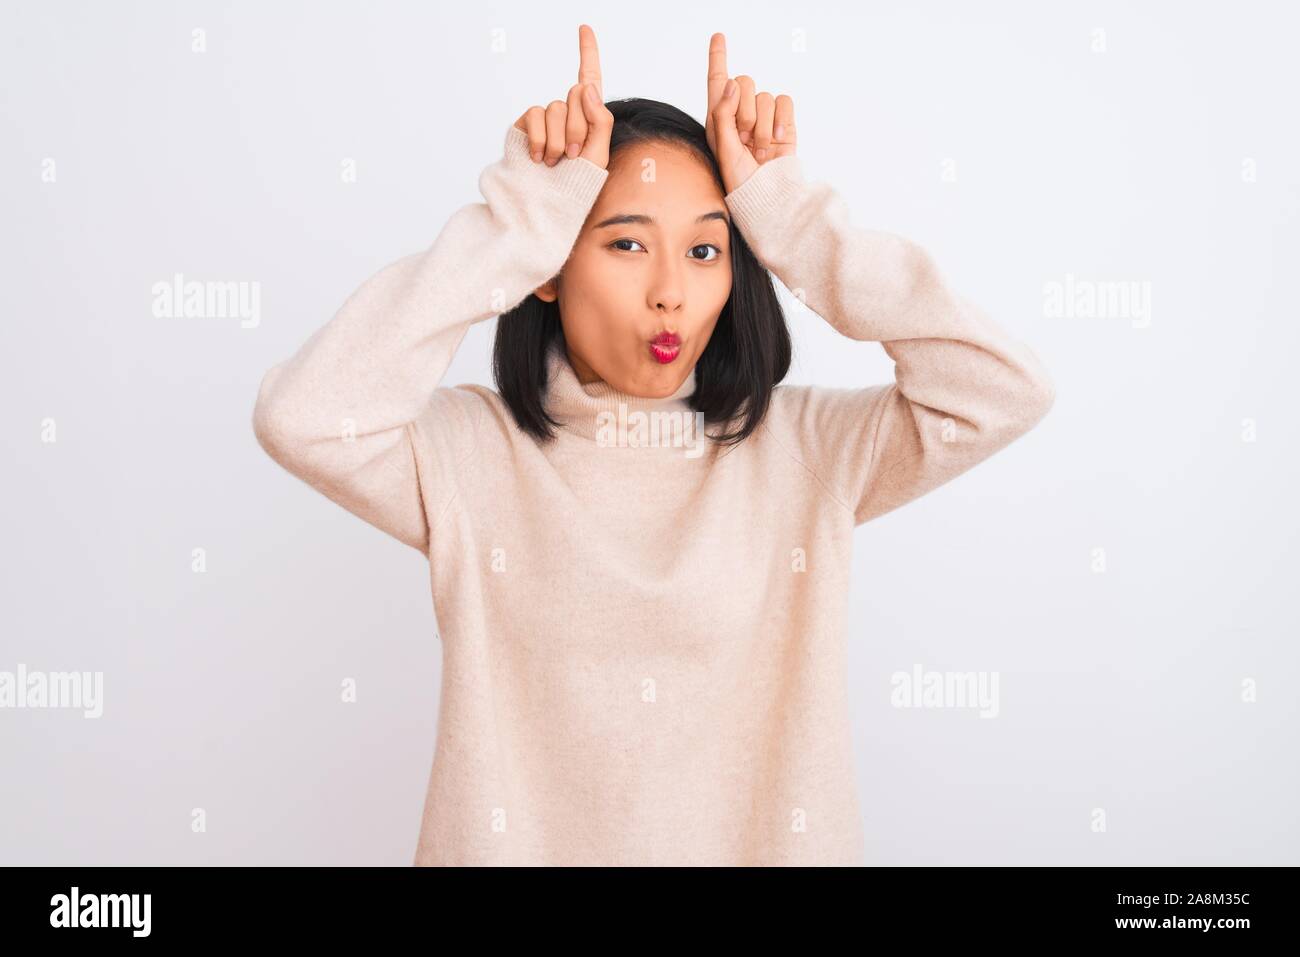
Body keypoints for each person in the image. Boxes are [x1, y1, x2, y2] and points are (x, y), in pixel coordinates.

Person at [251, 25, 1055, 866]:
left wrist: (793, 220)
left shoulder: (807, 452)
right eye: (628, 243)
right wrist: (518, 227)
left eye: (705, 250)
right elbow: (302, 415)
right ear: (555, 264)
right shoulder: (469, 456)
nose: (671, 292)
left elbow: (1003, 388)